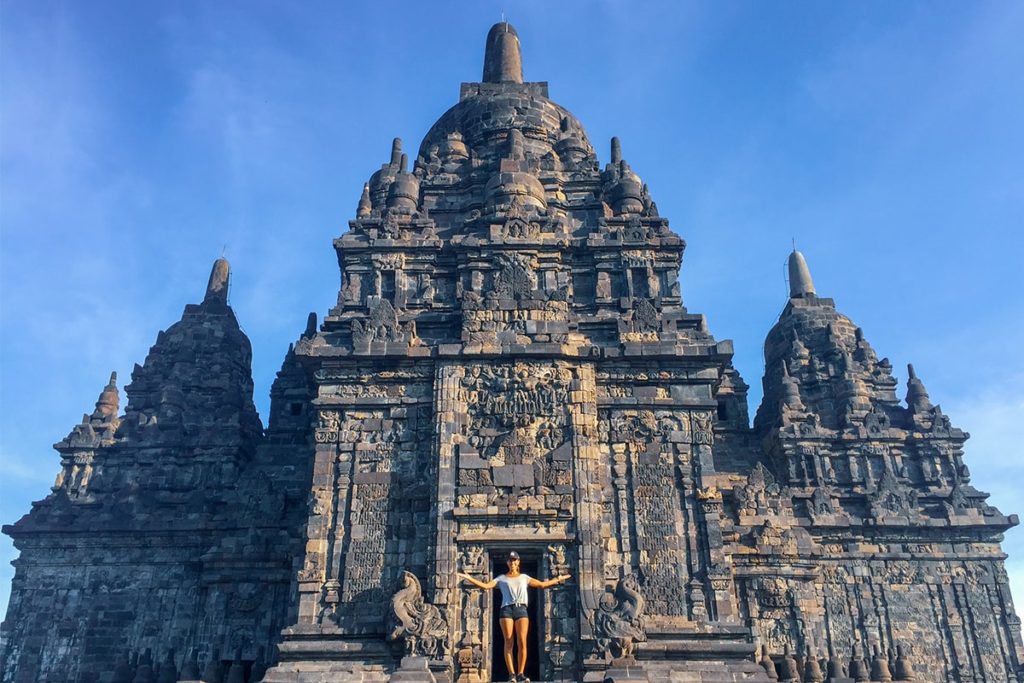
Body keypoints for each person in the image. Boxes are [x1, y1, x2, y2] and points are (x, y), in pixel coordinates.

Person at [457, 551, 572, 683]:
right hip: (506, 610)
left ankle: (520, 673)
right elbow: (486, 586)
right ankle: (511, 674)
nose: (512, 563)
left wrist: (558, 579)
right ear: (507, 563)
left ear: (518, 562)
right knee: (509, 642)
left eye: (515, 560)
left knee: (522, 642)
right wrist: (470, 578)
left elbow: (541, 584)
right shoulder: (501, 578)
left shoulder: (524, 577)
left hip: (521, 609)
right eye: (510, 560)